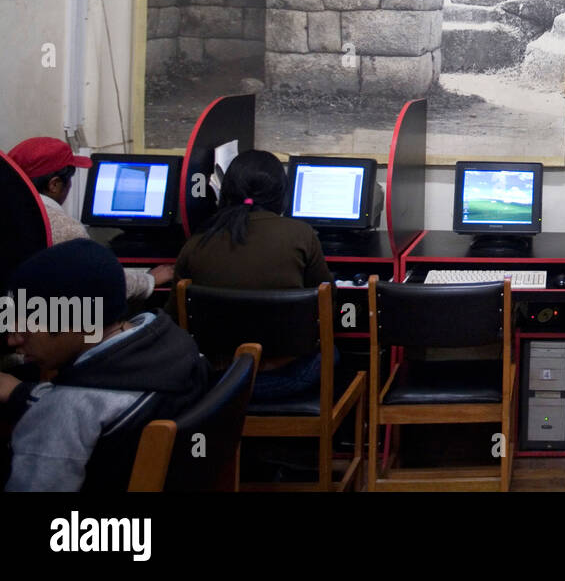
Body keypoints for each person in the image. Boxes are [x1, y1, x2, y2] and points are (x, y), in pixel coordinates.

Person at [0, 239, 208, 492]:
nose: (13, 338)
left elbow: (74, 412)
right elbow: (95, 405)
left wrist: (51, 409)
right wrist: (22, 394)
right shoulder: (174, 343)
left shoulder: (62, 415)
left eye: (26, 325)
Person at [167, 149, 333, 400]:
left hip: (218, 383)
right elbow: (328, 302)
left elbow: (174, 318)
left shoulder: (196, 243)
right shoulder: (301, 235)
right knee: (341, 353)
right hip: (285, 377)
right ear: (282, 193)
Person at [9, 136, 172, 299]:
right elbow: (102, 282)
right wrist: (149, 280)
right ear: (54, 184)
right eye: (70, 180)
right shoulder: (65, 228)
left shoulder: (9, 211)